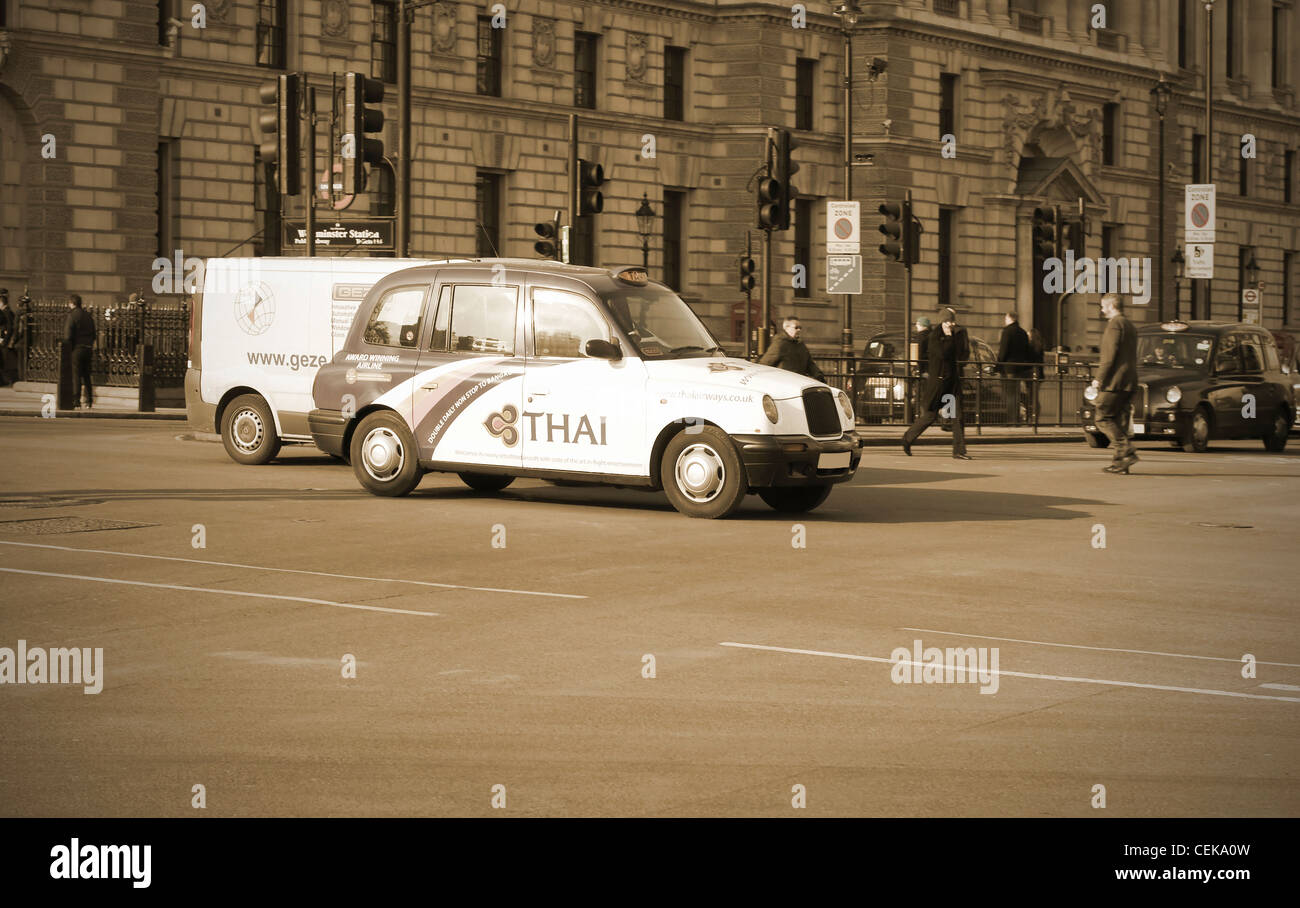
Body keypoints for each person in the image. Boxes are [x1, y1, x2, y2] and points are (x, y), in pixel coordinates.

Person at [901, 307, 970, 459]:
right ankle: (907, 438)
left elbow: (961, 353)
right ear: (943, 321)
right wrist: (949, 337)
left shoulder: (955, 334)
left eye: (952, 321)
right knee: (930, 416)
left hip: (952, 384)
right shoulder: (934, 337)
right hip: (939, 384)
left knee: (957, 416)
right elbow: (944, 354)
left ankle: (959, 451)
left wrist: (954, 337)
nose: (951, 324)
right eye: (948, 321)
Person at [1090, 293, 1139, 473]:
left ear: (1111, 306)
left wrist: (1098, 379)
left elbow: (1109, 357)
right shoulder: (1130, 325)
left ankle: (1126, 450)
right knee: (1120, 420)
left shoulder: (1115, 325)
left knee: (1102, 417)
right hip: (1129, 380)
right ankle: (1121, 462)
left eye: (1103, 306)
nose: (1102, 310)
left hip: (1115, 381)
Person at [759, 316, 826, 382]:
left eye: (800, 328)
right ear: (786, 328)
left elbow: (810, 363)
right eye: (796, 328)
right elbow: (766, 363)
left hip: (799, 383)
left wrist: (819, 376)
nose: (799, 330)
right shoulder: (780, 343)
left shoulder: (800, 344)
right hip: (784, 383)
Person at [997, 311, 1032, 424]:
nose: (1005, 320)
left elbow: (1003, 351)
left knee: (1010, 395)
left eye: (1006, 318)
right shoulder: (1022, 332)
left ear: (1009, 318)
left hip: (1009, 368)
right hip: (1020, 368)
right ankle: (1016, 418)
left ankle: (1011, 419)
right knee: (1016, 394)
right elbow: (1027, 351)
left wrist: (998, 366)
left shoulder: (1007, 332)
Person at [64, 294, 97, 409]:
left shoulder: (72, 315)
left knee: (76, 375)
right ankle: (89, 400)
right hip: (88, 348)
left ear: (72, 303)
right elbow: (94, 334)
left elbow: (68, 335)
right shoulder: (88, 316)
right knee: (87, 375)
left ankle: (76, 400)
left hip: (77, 348)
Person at [0, 289, 14, 386]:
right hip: (3, 339)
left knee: (3, 362)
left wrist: (4, 340)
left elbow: (9, 327)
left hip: (3, 340)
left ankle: (4, 381)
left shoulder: (6, 312)